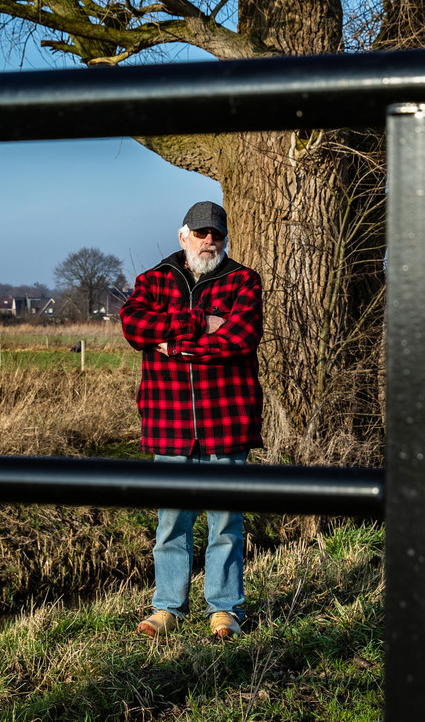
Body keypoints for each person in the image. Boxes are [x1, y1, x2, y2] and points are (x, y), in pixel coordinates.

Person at [120, 200, 264, 640]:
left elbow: (240, 338)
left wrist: (176, 345)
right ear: (183, 235)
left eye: (216, 234)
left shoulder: (243, 281)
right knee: (171, 520)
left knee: (226, 521)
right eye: (200, 233)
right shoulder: (153, 281)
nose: (209, 241)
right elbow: (134, 327)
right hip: (170, 421)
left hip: (228, 420)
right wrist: (203, 322)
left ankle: (225, 611)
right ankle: (168, 609)